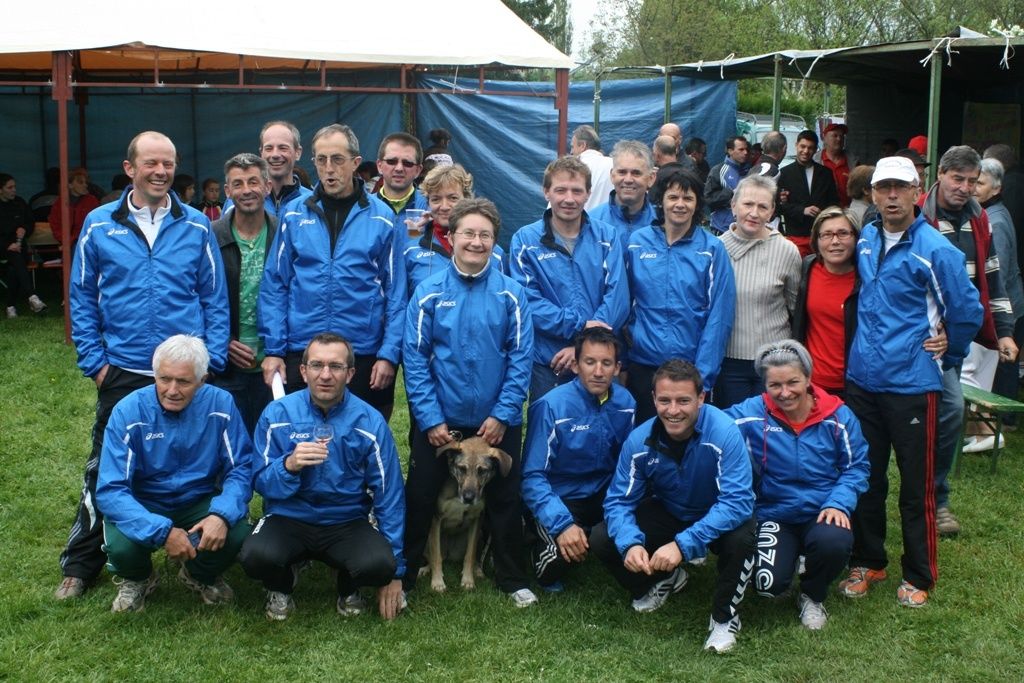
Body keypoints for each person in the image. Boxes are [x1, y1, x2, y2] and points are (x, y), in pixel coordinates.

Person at [57, 131, 230, 601]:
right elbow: (83, 297)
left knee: (200, 459)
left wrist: (209, 361)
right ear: (130, 168)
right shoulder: (98, 224)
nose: (161, 171)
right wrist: (96, 363)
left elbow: (214, 298)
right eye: (151, 163)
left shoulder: (196, 225)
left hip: (185, 370)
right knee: (102, 470)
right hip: (125, 368)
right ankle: (82, 563)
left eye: (169, 164)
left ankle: (203, 552)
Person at [840, 156, 982, 608]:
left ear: (918, 190)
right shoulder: (865, 237)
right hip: (863, 381)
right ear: (873, 194)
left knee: (915, 487)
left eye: (901, 188)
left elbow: (966, 311)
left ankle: (919, 574)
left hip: (912, 385)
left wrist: (949, 353)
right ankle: (870, 560)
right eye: (884, 189)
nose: (892, 196)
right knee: (866, 478)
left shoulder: (936, 249)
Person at [403, 198, 537, 607]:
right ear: (451, 237)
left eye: (485, 235)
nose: (476, 242)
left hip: (496, 421)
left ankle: (512, 578)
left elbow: (521, 357)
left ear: (495, 241)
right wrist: (429, 419)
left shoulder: (512, 295)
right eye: (468, 233)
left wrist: (503, 414)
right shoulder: (427, 294)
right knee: (422, 493)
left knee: (505, 495)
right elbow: (415, 358)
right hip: (441, 420)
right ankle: (405, 573)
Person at [590, 359, 755, 653]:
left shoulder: (725, 432)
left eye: (683, 400)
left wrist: (682, 546)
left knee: (743, 536)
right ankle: (663, 579)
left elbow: (738, 502)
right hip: (672, 511)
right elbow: (618, 501)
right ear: (653, 399)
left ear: (701, 399)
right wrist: (630, 543)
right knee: (603, 537)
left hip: (717, 515)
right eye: (664, 400)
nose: (673, 410)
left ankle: (724, 618)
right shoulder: (639, 440)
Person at [239, 333, 406, 621]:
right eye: (316, 365)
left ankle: (348, 586)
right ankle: (282, 584)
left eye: (336, 367)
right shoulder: (277, 414)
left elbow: (389, 494)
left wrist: (396, 571)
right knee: (254, 556)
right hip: (289, 516)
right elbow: (260, 482)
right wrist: (289, 465)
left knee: (380, 563)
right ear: (303, 372)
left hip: (345, 520)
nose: (325, 375)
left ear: (350, 373)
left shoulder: (369, 421)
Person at [96, 335, 253, 613]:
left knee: (238, 532)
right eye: (164, 379)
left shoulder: (222, 404)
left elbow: (240, 468)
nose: (171, 390)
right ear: (154, 374)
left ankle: (199, 574)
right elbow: (111, 489)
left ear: (202, 380)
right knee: (122, 548)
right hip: (143, 501)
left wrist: (221, 515)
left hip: (198, 499)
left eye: (183, 381)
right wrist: (162, 531)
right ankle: (138, 578)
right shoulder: (128, 411)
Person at [259, 123, 405, 420]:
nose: (329, 168)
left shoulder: (383, 218)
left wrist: (389, 354)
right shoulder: (295, 213)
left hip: (362, 351)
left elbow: (397, 292)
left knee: (359, 437)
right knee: (301, 437)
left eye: (337, 159)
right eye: (321, 159)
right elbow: (275, 283)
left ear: (354, 163)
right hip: (303, 348)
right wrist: (274, 349)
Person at [726, 340, 869, 630]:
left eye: (793, 382)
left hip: (823, 508)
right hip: (775, 512)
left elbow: (857, 467)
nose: (785, 392)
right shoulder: (751, 413)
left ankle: (812, 594)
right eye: (774, 385)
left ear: (808, 378)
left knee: (833, 542)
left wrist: (838, 502)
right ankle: (790, 559)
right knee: (768, 586)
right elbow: (710, 423)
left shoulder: (839, 416)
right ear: (764, 385)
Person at [920, 145, 1017, 536]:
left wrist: (1006, 332)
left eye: (972, 181)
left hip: (953, 344)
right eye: (957, 179)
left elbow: (991, 279)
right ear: (940, 174)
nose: (964, 188)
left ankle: (938, 500)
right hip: (913, 338)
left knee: (951, 410)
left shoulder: (981, 222)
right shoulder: (917, 215)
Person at [521, 328, 636, 591]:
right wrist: (562, 524)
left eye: (606, 363)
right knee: (557, 563)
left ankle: (588, 534)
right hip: (562, 496)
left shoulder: (626, 403)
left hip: (604, 494)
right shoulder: (551, 406)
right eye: (590, 362)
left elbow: (626, 465)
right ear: (575, 365)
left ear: (617, 368)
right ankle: (536, 536)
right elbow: (532, 476)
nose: (598, 371)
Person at [509, 156, 629, 401]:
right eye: (560, 190)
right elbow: (528, 303)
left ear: (588, 194)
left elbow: (617, 297)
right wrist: (580, 326)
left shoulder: (607, 236)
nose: (569, 199)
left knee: (603, 430)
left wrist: (584, 349)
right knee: (550, 431)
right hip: (550, 361)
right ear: (546, 192)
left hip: (599, 361)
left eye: (577, 191)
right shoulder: (525, 241)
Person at [625, 169, 735, 421]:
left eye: (688, 198)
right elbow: (623, 304)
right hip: (643, 364)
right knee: (644, 440)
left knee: (685, 445)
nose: (679, 204)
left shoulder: (712, 249)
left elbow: (719, 317)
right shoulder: (637, 243)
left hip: (690, 368)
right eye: (673, 197)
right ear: (661, 200)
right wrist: (622, 360)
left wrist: (703, 378)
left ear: (697, 204)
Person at [716, 175, 801, 408]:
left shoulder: (787, 251)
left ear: (772, 211)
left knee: (773, 432)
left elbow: (795, 307)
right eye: (748, 204)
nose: (754, 213)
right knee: (736, 431)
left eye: (763, 206)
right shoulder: (716, 249)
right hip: (729, 362)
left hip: (775, 361)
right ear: (733, 206)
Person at [211, 153, 277, 434]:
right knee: (229, 445)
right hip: (227, 365)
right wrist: (222, 340)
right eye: (238, 184)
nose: (247, 190)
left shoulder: (284, 233)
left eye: (253, 181)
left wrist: (279, 349)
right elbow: (199, 296)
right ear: (227, 191)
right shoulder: (210, 235)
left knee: (272, 442)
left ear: (267, 186)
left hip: (274, 363)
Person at [964, 158, 1024, 450]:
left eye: (980, 183)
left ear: (997, 187)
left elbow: (991, 277)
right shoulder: (995, 212)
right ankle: (983, 430)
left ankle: (985, 432)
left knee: (975, 371)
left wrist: (993, 322)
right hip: (1001, 310)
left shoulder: (994, 221)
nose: (974, 189)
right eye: (973, 182)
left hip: (996, 311)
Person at [402, 164, 504, 293]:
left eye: (453, 198)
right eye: (436, 199)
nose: (444, 206)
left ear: (467, 199)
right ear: (428, 204)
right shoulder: (412, 250)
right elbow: (400, 304)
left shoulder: (494, 252)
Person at [223, 120, 313, 216]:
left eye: (283, 148)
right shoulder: (237, 200)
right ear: (261, 153)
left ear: (298, 152)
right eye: (269, 148)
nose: (275, 155)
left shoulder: (311, 201)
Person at [777, 130, 840, 258]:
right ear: (796, 145)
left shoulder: (826, 173)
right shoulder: (784, 173)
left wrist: (824, 214)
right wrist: (802, 210)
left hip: (821, 235)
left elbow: (834, 202)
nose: (805, 151)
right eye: (803, 146)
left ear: (816, 149)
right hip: (796, 236)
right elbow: (779, 206)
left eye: (810, 148)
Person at [1, 173, 47, 318]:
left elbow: (30, 221)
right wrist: (7, 246)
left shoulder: (20, 202)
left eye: (14, 187)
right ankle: (32, 296)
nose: (14, 190)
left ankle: (11, 306)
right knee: (15, 259)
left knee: (14, 269)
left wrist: (24, 229)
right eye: (10, 187)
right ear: (0, 190)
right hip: (2, 250)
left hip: (20, 249)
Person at [589, 140, 657, 236]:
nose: (628, 180)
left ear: (651, 178)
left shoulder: (662, 223)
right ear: (612, 176)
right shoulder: (591, 222)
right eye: (622, 172)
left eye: (636, 173)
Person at [373, 131, 428, 231]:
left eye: (407, 163)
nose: (399, 168)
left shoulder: (431, 209)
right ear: (379, 166)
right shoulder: (362, 208)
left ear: (418, 170)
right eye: (391, 161)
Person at [705, 136, 749, 234]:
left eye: (746, 149)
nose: (745, 153)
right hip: (722, 228)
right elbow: (709, 199)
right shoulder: (718, 170)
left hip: (744, 229)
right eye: (741, 149)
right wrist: (731, 193)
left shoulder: (749, 171)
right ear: (730, 151)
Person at [48, 168, 100, 247]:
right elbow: (55, 225)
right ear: (70, 185)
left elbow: (96, 223)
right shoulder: (60, 203)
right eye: (80, 182)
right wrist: (67, 241)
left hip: (88, 241)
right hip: (69, 244)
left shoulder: (92, 201)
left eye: (86, 182)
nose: (85, 185)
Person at [570, 125, 614, 212]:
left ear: (582, 145)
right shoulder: (616, 166)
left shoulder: (571, 168)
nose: (571, 152)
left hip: (579, 223)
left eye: (572, 146)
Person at [818, 122, 851, 207]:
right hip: (823, 212)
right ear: (824, 138)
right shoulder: (815, 160)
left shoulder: (853, 162)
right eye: (835, 136)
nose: (839, 139)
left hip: (848, 212)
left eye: (842, 136)